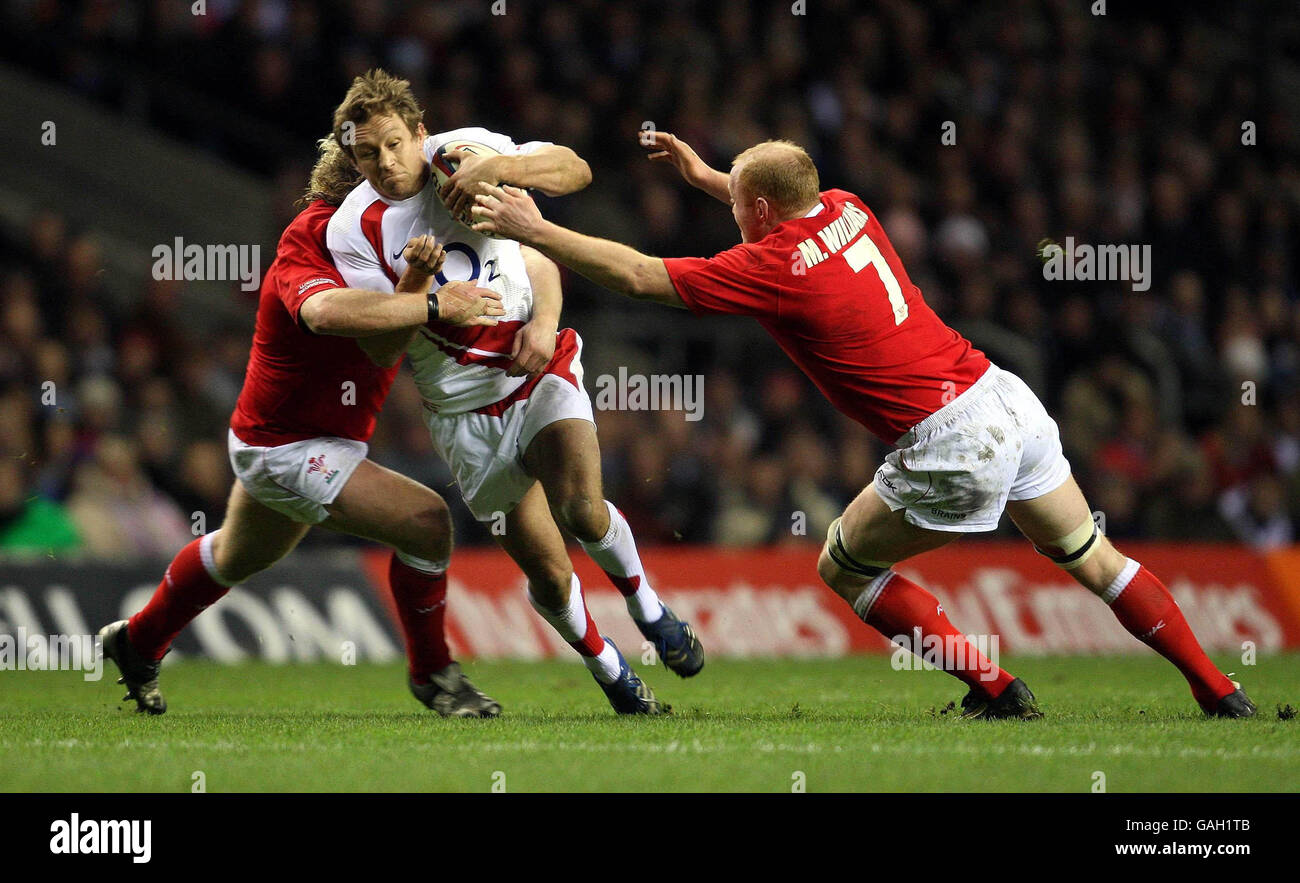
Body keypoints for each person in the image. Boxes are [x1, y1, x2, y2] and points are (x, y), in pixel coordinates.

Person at [469, 131, 1256, 719]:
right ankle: (1219, 690)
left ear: (762, 212)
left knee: (842, 564)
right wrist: (711, 177)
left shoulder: (772, 268)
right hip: (1002, 396)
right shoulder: (848, 206)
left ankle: (995, 688)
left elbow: (641, 275)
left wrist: (533, 231)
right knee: (1093, 556)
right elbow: (775, 205)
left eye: (738, 200)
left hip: (951, 438)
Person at [324, 70, 704, 715]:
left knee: (583, 509)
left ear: (420, 132)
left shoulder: (462, 151)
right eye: (366, 153)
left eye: (393, 143)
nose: (384, 163)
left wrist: (500, 169)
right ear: (351, 156)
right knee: (551, 575)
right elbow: (381, 351)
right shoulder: (352, 229)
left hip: (537, 370)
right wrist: (420, 286)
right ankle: (614, 675)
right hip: (464, 414)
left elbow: (573, 172)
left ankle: (649, 608)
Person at [99, 135, 509, 718]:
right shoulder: (310, 241)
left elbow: (385, 343)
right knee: (426, 522)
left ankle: (136, 641)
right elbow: (324, 312)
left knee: (235, 556)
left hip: (309, 437)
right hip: (285, 445)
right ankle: (435, 676)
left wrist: (425, 285)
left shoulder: (397, 241)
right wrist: (437, 305)